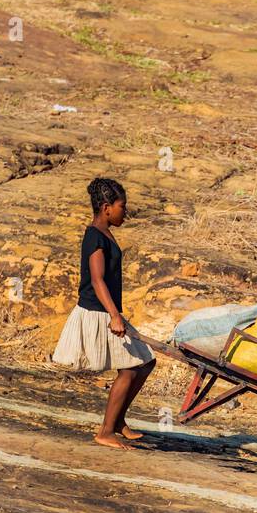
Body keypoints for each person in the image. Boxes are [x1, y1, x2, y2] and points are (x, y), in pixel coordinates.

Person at [51, 177, 156, 450]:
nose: (126, 212)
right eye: (123, 206)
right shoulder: (95, 236)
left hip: (106, 310)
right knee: (134, 366)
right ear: (107, 207)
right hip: (98, 312)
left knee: (145, 363)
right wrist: (114, 315)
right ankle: (106, 431)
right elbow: (97, 280)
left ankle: (118, 421)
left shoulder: (105, 233)